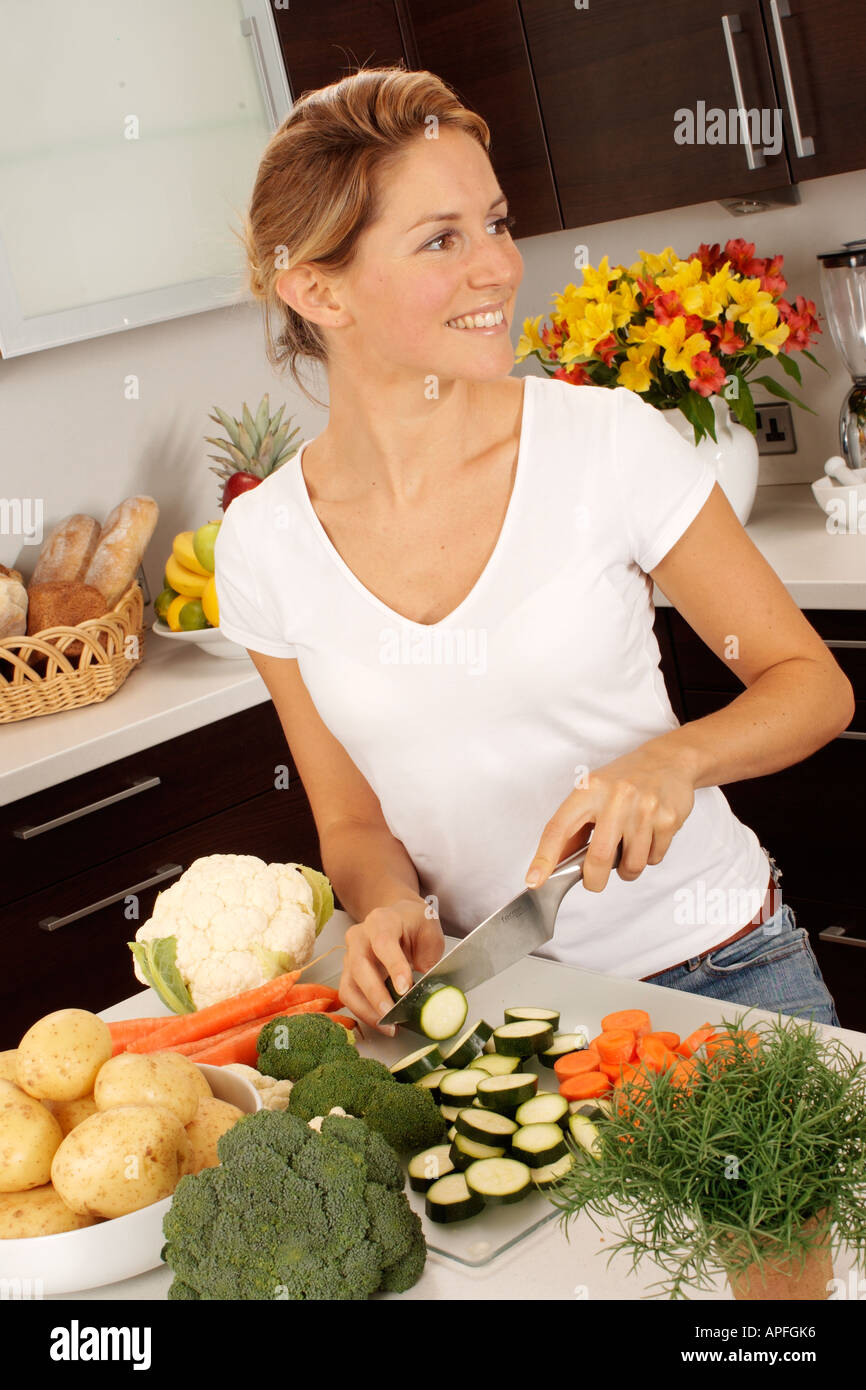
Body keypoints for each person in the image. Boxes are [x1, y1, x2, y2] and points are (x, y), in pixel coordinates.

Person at [215, 65, 852, 1035]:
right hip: (497, 1015)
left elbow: (808, 683)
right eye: (441, 239)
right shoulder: (262, 545)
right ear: (315, 289)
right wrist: (386, 907)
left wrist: (673, 759)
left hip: (717, 976)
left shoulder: (603, 439)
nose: (498, 267)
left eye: (496, 223)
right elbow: (349, 824)